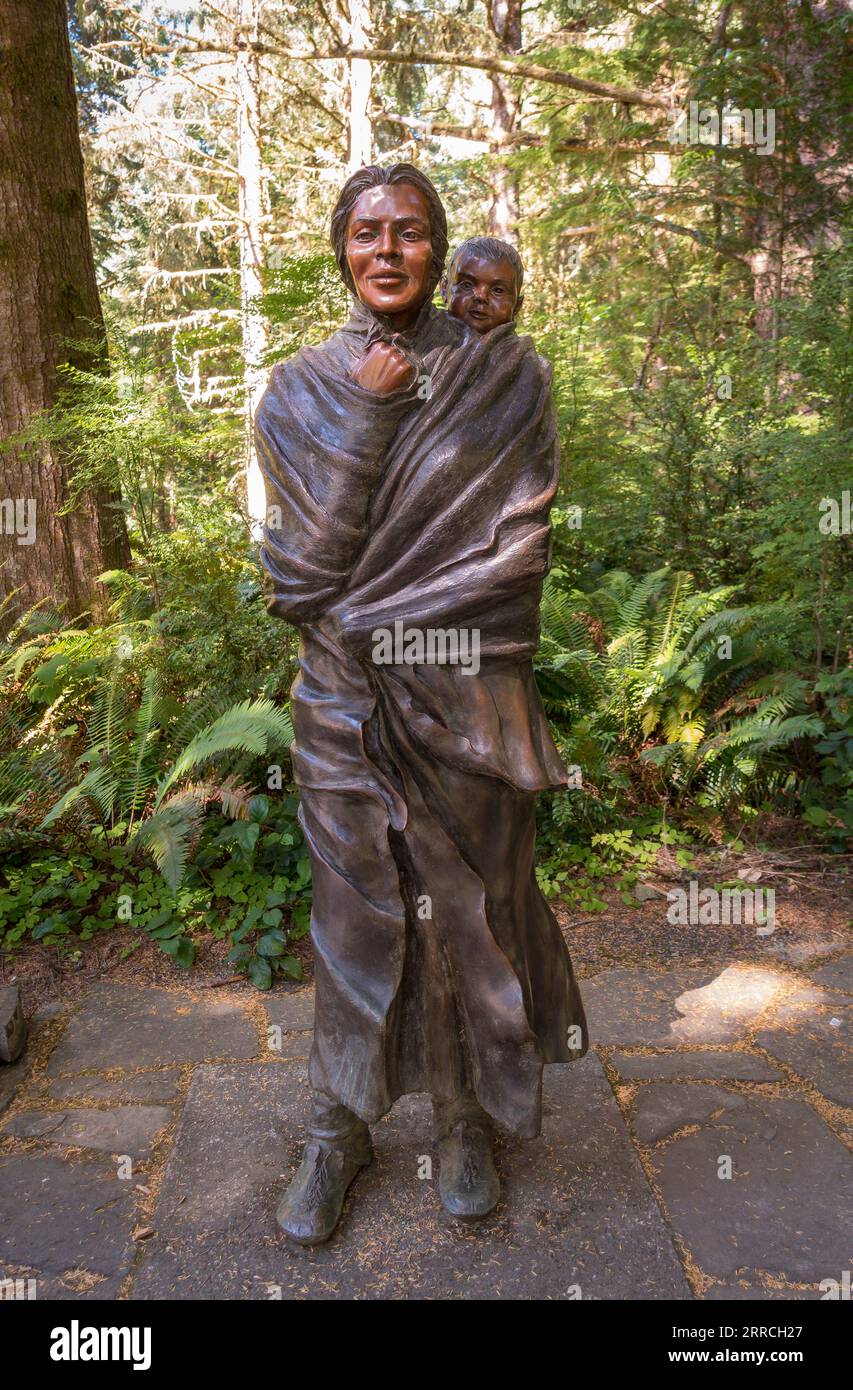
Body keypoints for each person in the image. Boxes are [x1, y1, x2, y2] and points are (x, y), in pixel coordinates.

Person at [255, 164, 589, 1247]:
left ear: (440, 253)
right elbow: (299, 579)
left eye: (409, 232)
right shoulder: (301, 389)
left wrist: (391, 622)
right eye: (365, 232)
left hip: (466, 698)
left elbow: (517, 553)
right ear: (340, 249)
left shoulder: (505, 376)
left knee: (468, 911)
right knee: (353, 917)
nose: (386, 250)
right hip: (343, 702)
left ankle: (462, 1117)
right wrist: (367, 411)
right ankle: (335, 1126)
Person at [441, 235, 525, 335]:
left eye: (498, 290)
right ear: (444, 288)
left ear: (517, 305)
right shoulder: (423, 340)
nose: (481, 296)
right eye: (467, 285)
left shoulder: (518, 350)